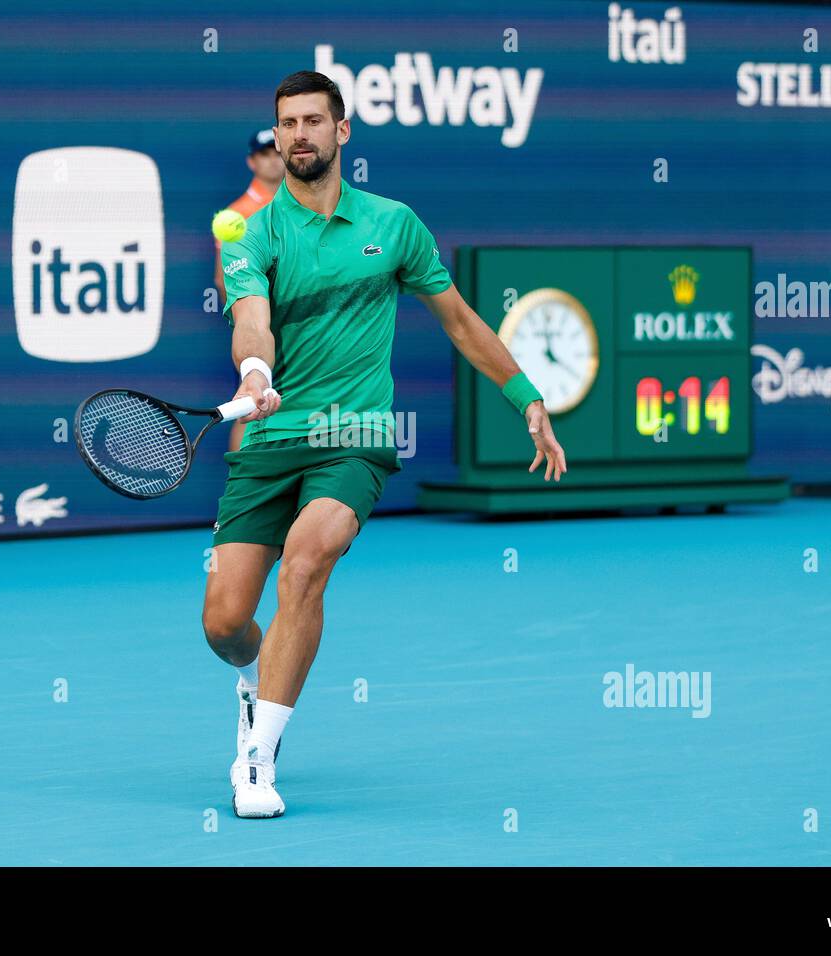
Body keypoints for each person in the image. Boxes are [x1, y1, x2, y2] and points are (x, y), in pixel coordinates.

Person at [207, 70, 567, 818]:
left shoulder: (395, 225)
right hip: (271, 436)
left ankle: (256, 760)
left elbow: (462, 322)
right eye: (286, 124)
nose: (297, 134)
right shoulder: (254, 233)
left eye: (312, 121)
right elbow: (251, 317)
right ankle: (256, 681)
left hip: (355, 438)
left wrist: (526, 396)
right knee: (225, 623)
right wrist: (255, 368)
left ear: (343, 133)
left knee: (306, 565)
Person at [215, 128, 285, 452]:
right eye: (264, 154)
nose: (272, 160)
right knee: (250, 402)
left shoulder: (301, 207)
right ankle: (241, 486)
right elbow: (224, 280)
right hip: (259, 326)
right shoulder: (236, 214)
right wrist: (255, 323)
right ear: (251, 162)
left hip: (300, 329)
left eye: (277, 152)